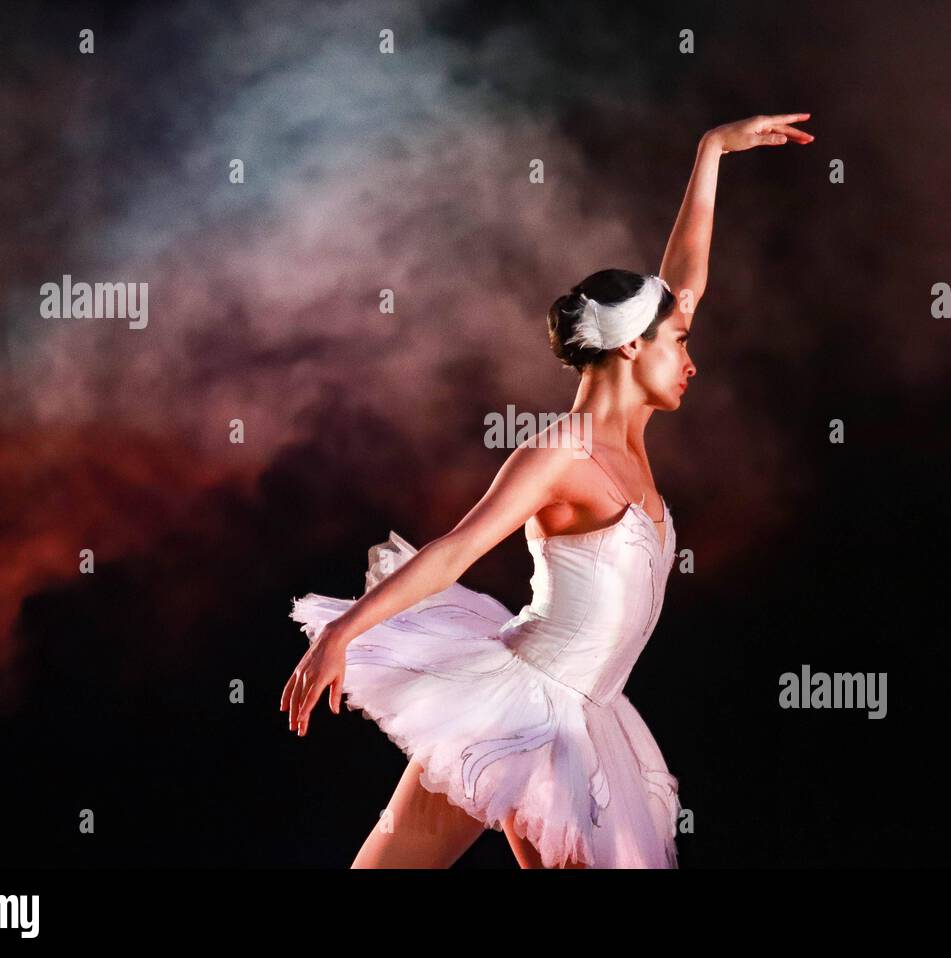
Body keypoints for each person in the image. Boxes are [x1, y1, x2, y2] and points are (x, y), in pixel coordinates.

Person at [282, 112, 814, 868]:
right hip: (517, 707)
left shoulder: (630, 438)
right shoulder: (562, 452)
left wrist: (712, 151)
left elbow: (685, 278)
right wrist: (342, 633)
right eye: (681, 342)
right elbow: (454, 551)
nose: (693, 355)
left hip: (588, 725)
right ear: (632, 345)